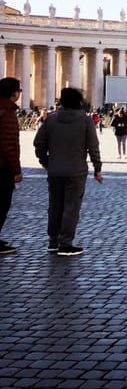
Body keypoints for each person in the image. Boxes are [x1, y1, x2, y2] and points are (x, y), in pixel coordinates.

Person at [33, 87, 102, 256]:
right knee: (71, 208)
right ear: (79, 102)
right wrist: (97, 168)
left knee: (54, 206)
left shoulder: (50, 120)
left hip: (55, 170)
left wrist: (45, 161)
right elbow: (93, 148)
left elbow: (38, 143)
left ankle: (53, 242)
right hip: (76, 171)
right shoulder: (85, 121)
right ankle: (65, 244)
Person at [0, 77, 23, 255]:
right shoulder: (7, 113)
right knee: (2, 204)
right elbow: (9, 144)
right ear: (14, 94)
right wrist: (16, 171)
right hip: (2, 168)